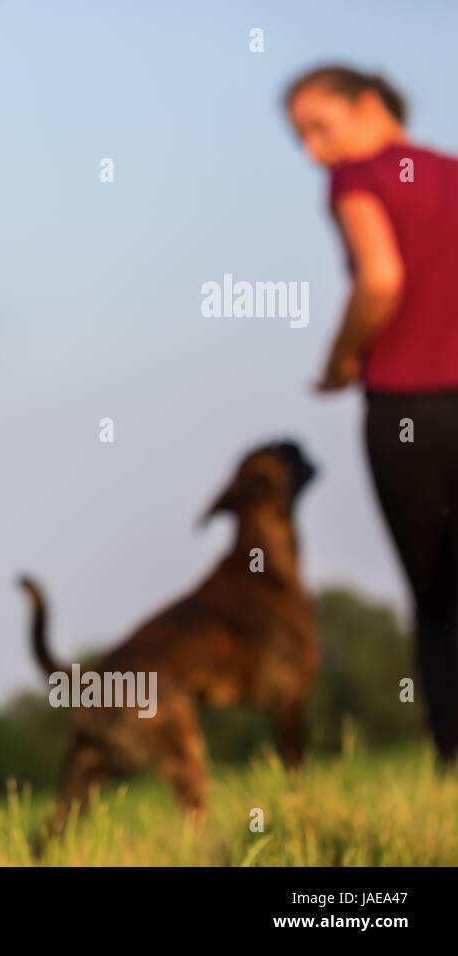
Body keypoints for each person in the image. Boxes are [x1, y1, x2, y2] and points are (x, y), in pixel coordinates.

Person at [286, 65, 458, 766]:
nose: (314, 152)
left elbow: (380, 277)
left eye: (320, 128)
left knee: (439, 594)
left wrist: (340, 359)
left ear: (369, 105)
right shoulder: (449, 171)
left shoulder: (358, 177)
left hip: (411, 408)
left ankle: (453, 760)